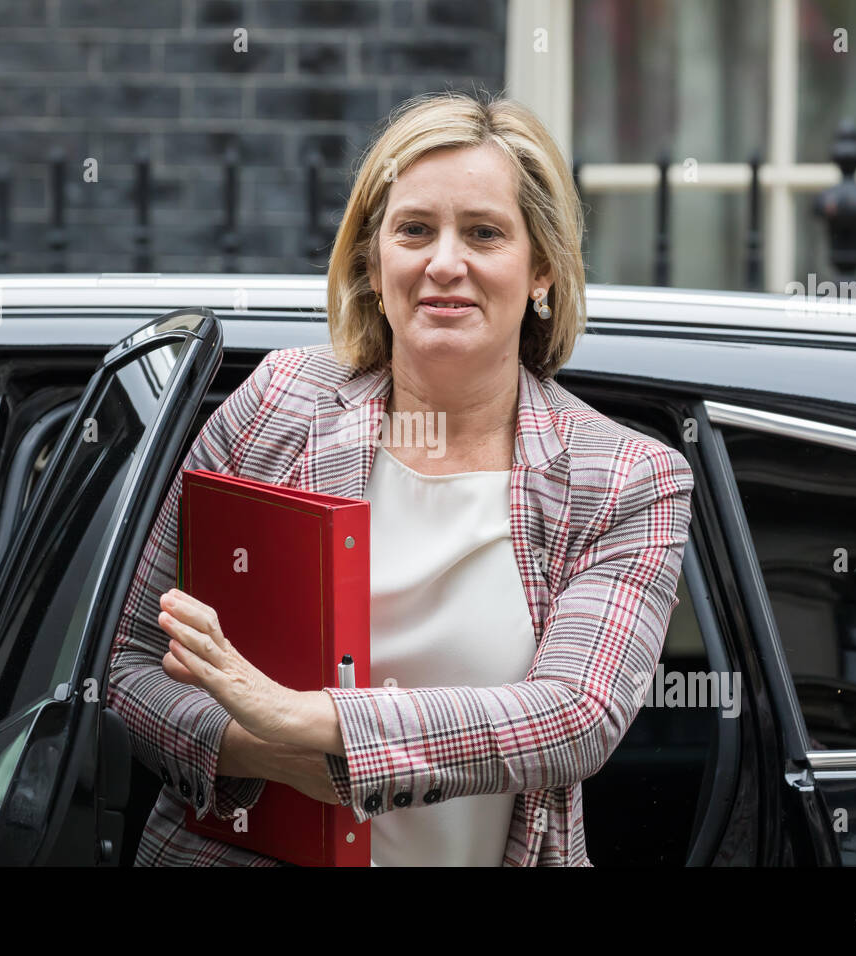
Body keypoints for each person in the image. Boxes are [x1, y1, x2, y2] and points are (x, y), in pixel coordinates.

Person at [107, 89, 695, 866]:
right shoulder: (277, 404)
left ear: (543, 268)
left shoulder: (624, 477)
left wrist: (313, 722)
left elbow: (575, 716)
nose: (444, 263)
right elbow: (125, 666)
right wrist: (252, 746)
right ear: (374, 261)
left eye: (484, 233)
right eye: (415, 229)